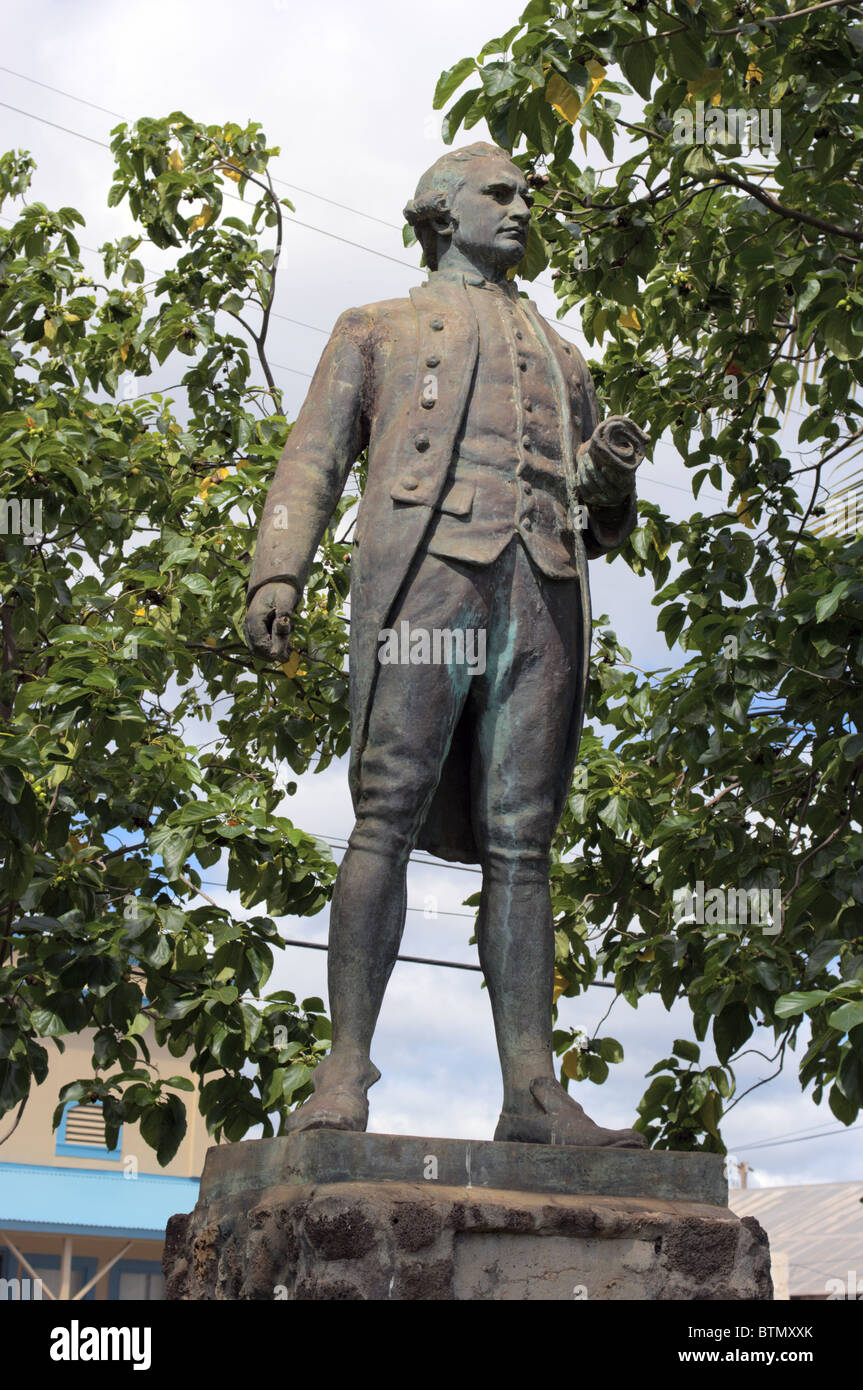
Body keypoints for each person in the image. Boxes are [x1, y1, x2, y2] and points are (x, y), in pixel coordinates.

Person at [244, 143, 647, 1147]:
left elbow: (605, 526)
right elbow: (309, 460)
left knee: (524, 837)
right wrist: (276, 569)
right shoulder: (374, 328)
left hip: (541, 584)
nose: (518, 208)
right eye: (496, 193)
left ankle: (532, 1089)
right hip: (429, 577)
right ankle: (343, 1069)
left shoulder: (564, 355)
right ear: (438, 213)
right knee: (385, 808)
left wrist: (609, 484)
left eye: (525, 195)